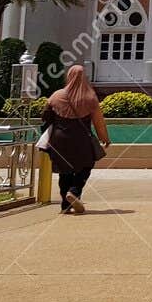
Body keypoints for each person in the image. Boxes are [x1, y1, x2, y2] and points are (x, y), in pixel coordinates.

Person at [41, 64, 109, 214]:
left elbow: (45, 117)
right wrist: (105, 138)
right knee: (85, 166)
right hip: (82, 140)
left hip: (59, 140)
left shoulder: (56, 95)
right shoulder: (90, 97)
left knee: (64, 171)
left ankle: (65, 204)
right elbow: (99, 122)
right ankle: (74, 190)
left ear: (69, 76)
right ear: (84, 78)